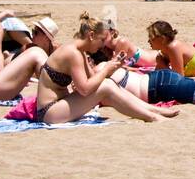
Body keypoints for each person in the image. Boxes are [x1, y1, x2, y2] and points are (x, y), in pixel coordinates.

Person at [34, 12, 180, 124]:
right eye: (102, 40)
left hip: (59, 106)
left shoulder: (79, 52)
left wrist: (113, 66)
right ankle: (152, 116)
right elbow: (84, 89)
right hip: (49, 112)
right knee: (106, 87)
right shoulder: (73, 53)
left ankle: (152, 110)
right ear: (91, 35)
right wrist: (106, 70)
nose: (103, 45)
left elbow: (93, 79)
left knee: (108, 83)